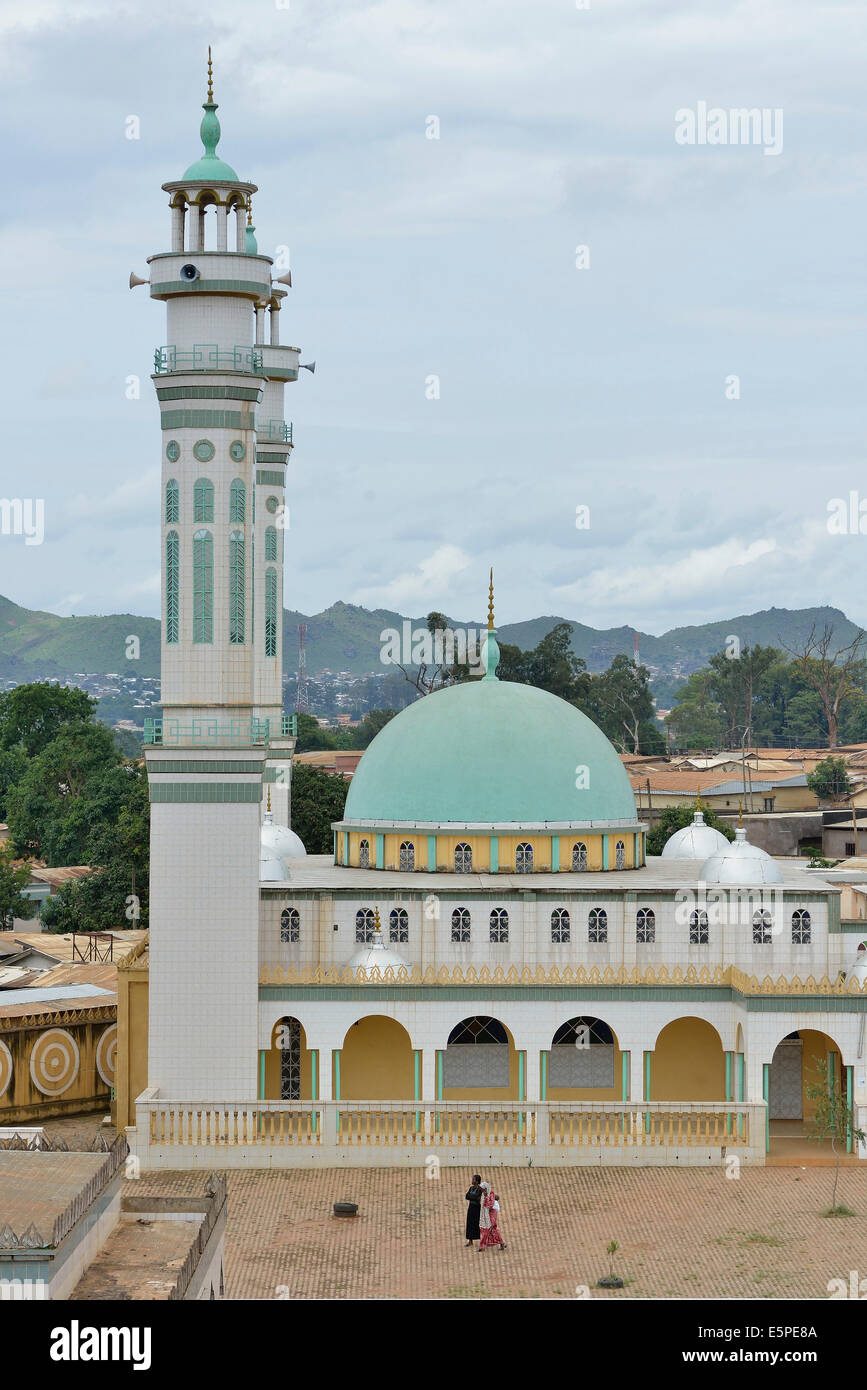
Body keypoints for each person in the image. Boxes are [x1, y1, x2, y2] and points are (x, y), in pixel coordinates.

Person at [478, 1186, 507, 1252]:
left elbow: (490, 1205)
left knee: (487, 1229)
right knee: (493, 1229)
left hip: (492, 1213)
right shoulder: (484, 1196)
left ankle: (482, 1246)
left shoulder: (491, 1195)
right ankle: (502, 1243)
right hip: (488, 1214)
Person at [465, 1174, 483, 1247]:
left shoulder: (480, 1189)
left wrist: (471, 1196)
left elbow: (475, 1197)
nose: (472, 1181)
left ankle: (482, 1240)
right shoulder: (471, 1188)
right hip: (471, 1207)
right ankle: (470, 1240)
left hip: (477, 1208)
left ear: (477, 1181)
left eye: (473, 1179)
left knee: (477, 1223)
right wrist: (472, 1197)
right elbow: (467, 1196)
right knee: (469, 1223)